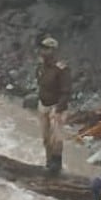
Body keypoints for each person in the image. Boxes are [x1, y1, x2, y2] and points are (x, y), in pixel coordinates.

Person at [35, 36, 71, 175]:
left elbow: (66, 91)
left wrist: (59, 110)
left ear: (53, 50)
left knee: (56, 138)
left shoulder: (61, 69)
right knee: (45, 137)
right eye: (42, 48)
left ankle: (56, 165)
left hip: (57, 106)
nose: (43, 51)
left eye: (46, 48)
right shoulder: (40, 66)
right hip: (43, 105)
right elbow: (40, 83)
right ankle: (48, 162)